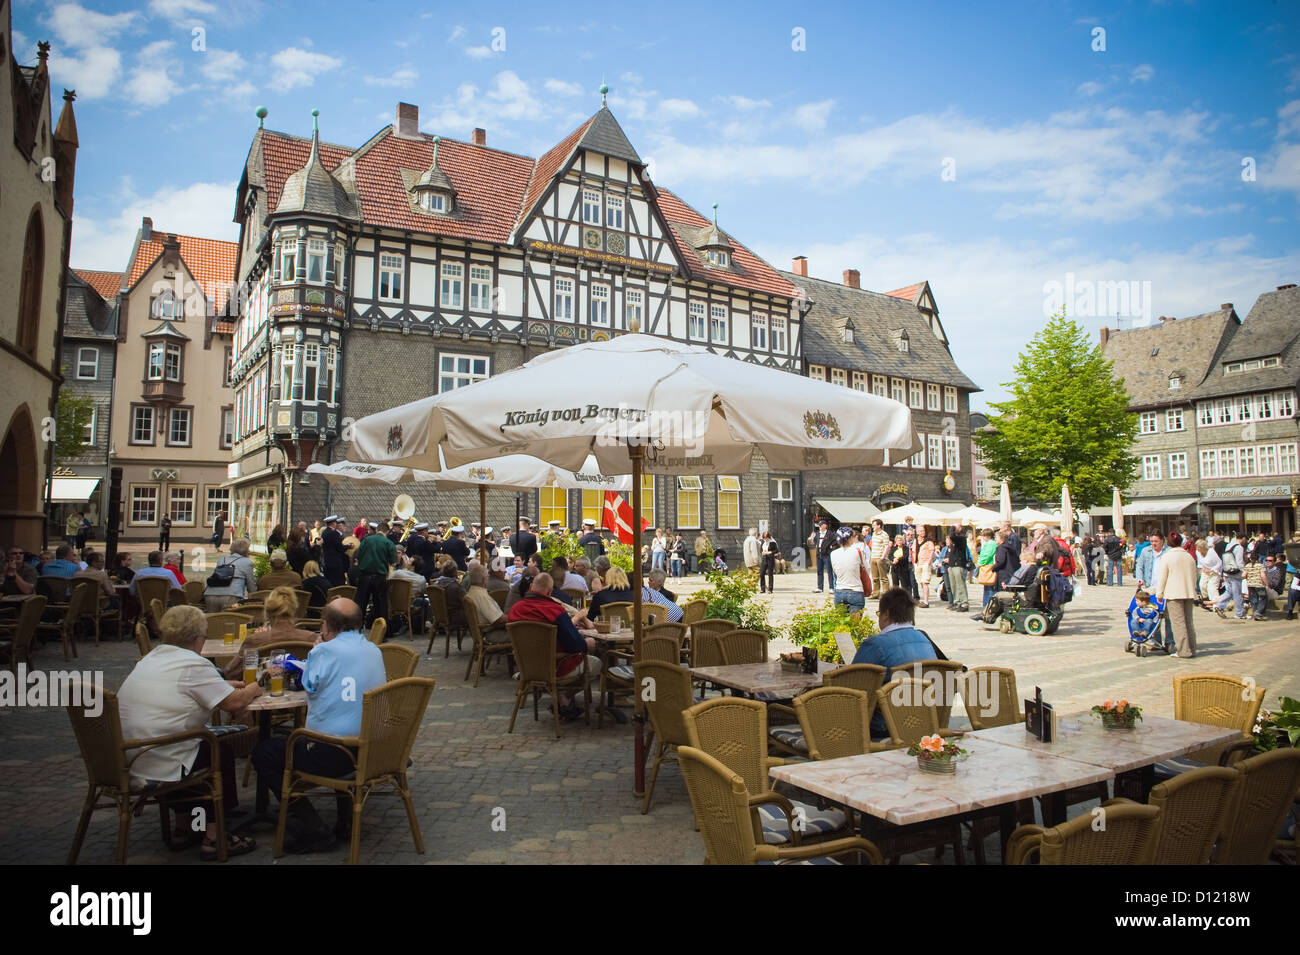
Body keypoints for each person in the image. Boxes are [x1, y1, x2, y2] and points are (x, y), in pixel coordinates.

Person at [117, 604, 262, 859]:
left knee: (198, 748)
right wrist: (255, 687)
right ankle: (215, 837)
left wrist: (219, 685)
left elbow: (182, 686)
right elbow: (234, 703)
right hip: (161, 755)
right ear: (198, 638)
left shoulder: (152, 657)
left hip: (130, 755)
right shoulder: (194, 664)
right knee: (218, 752)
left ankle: (184, 827)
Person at [251, 598, 385, 850]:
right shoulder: (374, 649)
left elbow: (308, 684)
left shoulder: (323, 650)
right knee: (340, 721)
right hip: (375, 750)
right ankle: (345, 820)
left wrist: (316, 650)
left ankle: (311, 827)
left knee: (264, 752)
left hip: (336, 754)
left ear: (325, 626)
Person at [852, 588, 948, 739]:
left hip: (886, 724)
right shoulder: (924, 638)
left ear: (886, 615)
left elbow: (853, 684)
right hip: (924, 719)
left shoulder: (876, 644)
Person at [506, 573, 601, 717]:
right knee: (597, 662)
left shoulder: (515, 609)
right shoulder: (554, 610)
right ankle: (564, 697)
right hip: (557, 667)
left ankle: (561, 699)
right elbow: (574, 645)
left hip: (527, 667)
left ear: (531, 587)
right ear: (550, 592)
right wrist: (588, 643)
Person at [223, 586, 317, 678]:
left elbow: (231, 673)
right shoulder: (311, 638)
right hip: (305, 692)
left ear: (267, 612)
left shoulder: (255, 640)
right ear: (294, 610)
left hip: (261, 691)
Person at [1152, 541, 1198, 657]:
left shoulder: (1167, 557)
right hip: (1188, 592)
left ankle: (1183, 651)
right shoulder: (1189, 556)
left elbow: (1162, 577)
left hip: (1174, 593)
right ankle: (1192, 648)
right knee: (1188, 622)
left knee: (1178, 623)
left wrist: (1159, 594)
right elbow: (1195, 575)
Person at [354, 524, 397, 626]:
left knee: (361, 604)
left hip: (364, 576)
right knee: (381, 605)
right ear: (387, 532)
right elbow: (393, 562)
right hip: (380, 577)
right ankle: (381, 631)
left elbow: (358, 556)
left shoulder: (366, 540)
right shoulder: (388, 543)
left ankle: (356, 629)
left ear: (377, 530)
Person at [203, 540, 257, 612]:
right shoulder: (247, 562)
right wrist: (254, 596)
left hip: (210, 595)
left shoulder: (222, 559)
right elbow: (251, 585)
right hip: (232, 596)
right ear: (246, 550)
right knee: (229, 621)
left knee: (213, 620)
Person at [463, 563, 510, 646]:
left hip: (482, 632)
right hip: (490, 634)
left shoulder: (471, 592)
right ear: (484, 579)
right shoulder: (481, 595)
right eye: (487, 576)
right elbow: (498, 620)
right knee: (522, 633)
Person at [829, 526, 868, 615]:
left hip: (839, 590)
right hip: (855, 590)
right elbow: (866, 568)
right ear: (850, 538)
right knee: (854, 625)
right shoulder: (858, 552)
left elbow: (834, 571)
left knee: (842, 625)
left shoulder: (833, 554)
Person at [1215, 531, 1247, 620]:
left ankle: (1220, 605)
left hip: (1227, 571)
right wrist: (1244, 571)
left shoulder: (1229, 545)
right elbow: (1239, 562)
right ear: (1243, 538)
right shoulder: (1239, 547)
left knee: (1229, 591)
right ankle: (1239, 613)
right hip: (1236, 573)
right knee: (1237, 593)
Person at [943, 527, 970, 613]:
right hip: (952, 565)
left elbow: (953, 536)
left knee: (960, 585)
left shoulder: (961, 539)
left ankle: (964, 603)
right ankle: (957, 602)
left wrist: (953, 528)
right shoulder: (953, 544)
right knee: (953, 586)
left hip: (958, 565)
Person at [320, 515, 348, 587]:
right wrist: (349, 546)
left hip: (327, 561)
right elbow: (340, 547)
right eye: (336, 522)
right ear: (333, 523)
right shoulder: (333, 533)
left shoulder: (325, 532)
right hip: (335, 563)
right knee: (337, 584)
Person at [975, 529, 998, 612]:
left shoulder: (991, 544)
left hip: (988, 567)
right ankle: (986, 607)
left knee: (990, 588)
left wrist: (980, 563)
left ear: (988, 536)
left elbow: (987, 556)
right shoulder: (988, 544)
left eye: (984, 536)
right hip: (987, 567)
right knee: (987, 588)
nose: (983, 537)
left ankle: (988, 608)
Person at [808, 520, 833, 593]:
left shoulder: (830, 534)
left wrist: (831, 547)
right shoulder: (817, 534)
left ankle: (831, 587)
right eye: (819, 525)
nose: (819, 527)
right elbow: (814, 542)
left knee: (829, 571)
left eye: (820, 525)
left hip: (826, 554)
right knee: (819, 571)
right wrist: (811, 540)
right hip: (819, 554)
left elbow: (834, 542)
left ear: (824, 526)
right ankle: (820, 587)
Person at [1195, 538, 1222, 607]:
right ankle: (1206, 600)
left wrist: (1211, 569)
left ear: (1203, 547)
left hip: (1214, 571)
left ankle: (1216, 604)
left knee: (1211, 587)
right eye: (1197, 547)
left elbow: (1219, 563)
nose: (1198, 549)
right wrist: (1201, 569)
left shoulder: (1211, 552)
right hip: (1205, 570)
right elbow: (1200, 562)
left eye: (1199, 548)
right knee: (1202, 585)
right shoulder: (1197, 552)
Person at [868, 520, 890, 600]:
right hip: (873, 557)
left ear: (879, 526)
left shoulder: (884, 534)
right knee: (875, 577)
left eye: (874, 525)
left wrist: (883, 557)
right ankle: (875, 593)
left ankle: (885, 594)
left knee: (883, 577)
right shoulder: (874, 534)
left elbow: (886, 546)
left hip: (880, 558)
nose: (873, 527)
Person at [759, 530, 779, 594]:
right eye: (764, 537)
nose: (765, 539)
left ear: (769, 537)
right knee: (761, 573)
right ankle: (762, 588)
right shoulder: (763, 543)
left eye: (766, 537)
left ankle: (770, 589)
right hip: (764, 559)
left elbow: (776, 550)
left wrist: (770, 552)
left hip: (770, 559)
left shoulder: (773, 543)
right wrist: (762, 552)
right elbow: (761, 550)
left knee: (770, 574)